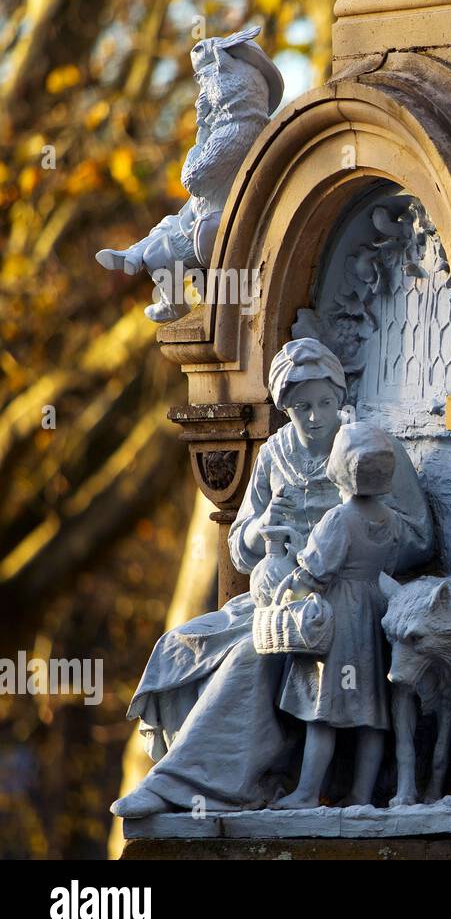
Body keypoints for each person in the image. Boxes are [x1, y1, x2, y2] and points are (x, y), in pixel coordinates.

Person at [111, 339, 433, 818]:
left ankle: (181, 786)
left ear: (340, 397)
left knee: (250, 656)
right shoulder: (274, 454)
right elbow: (239, 548)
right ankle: (188, 777)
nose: (315, 417)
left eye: (324, 403)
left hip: (338, 611)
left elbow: (420, 540)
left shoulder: (369, 451)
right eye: (302, 407)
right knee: (185, 645)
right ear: (285, 408)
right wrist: (261, 531)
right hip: (278, 597)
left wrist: (350, 539)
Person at [272, 423, 402, 809]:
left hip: (340, 614)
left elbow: (316, 571)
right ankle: (361, 794)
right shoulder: (390, 519)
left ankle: (307, 793)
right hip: (375, 613)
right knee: (371, 710)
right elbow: (390, 565)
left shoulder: (339, 519)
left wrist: (291, 592)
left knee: (323, 709)